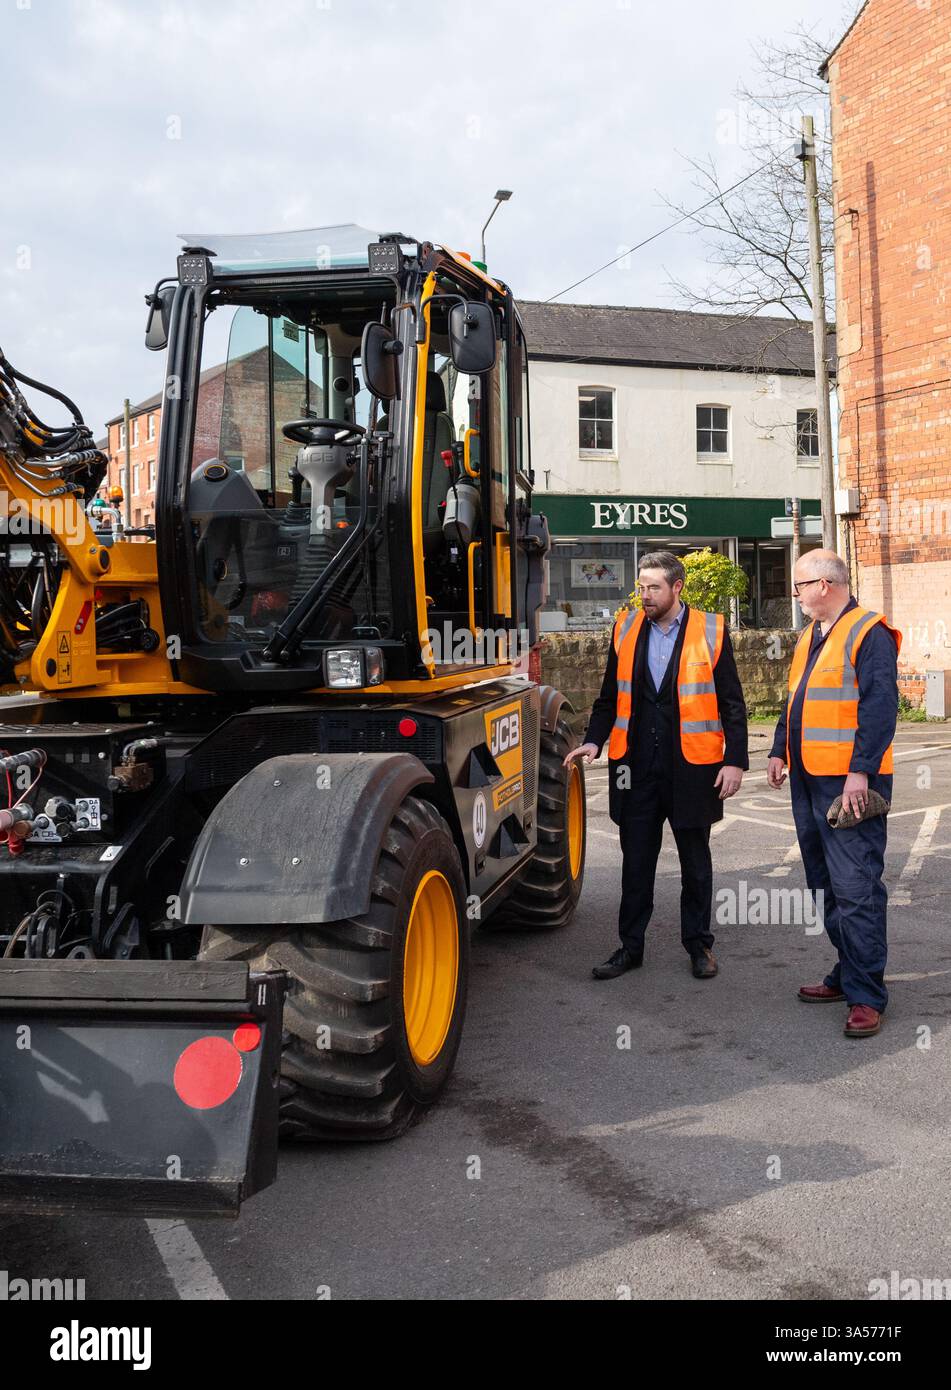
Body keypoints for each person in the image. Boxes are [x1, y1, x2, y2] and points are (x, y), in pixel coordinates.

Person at [565, 550, 748, 980]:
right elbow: (609, 697)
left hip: (694, 766)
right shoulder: (625, 627)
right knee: (636, 862)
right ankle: (630, 948)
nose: (644, 596)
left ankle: (699, 946)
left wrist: (735, 761)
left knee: (695, 862)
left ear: (677, 587)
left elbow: (732, 704)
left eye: (654, 588)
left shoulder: (712, 630)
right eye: (641, 587)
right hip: (634, 766)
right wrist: (594, 741)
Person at [767, 549, 900, 1039]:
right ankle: (849, 971)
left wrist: (861, 773)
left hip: (848, 782)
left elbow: (881, 707)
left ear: (825, 584)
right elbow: (797, 698)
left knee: (856, 886)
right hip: (808, 778)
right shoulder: (812, 636)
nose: (795, 594)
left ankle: (866, 994)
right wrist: (780, 748)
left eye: (799, 585)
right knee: (824, 882)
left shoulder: (869, 633)